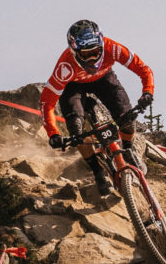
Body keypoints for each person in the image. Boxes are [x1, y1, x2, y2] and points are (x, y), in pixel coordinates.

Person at [40, 19, 154, 195]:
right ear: (74, 51)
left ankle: (129, 151)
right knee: (76, 130)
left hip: (104, 79)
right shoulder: (65, 66)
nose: (92, 58)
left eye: (95, 52)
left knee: (126, 117)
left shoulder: (113, 48)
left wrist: (147, 92)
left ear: (102, 45)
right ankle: (98, 171)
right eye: (86, 54)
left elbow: (143, 69)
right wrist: (53, 133)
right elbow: (47, 102)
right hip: (73, 86)